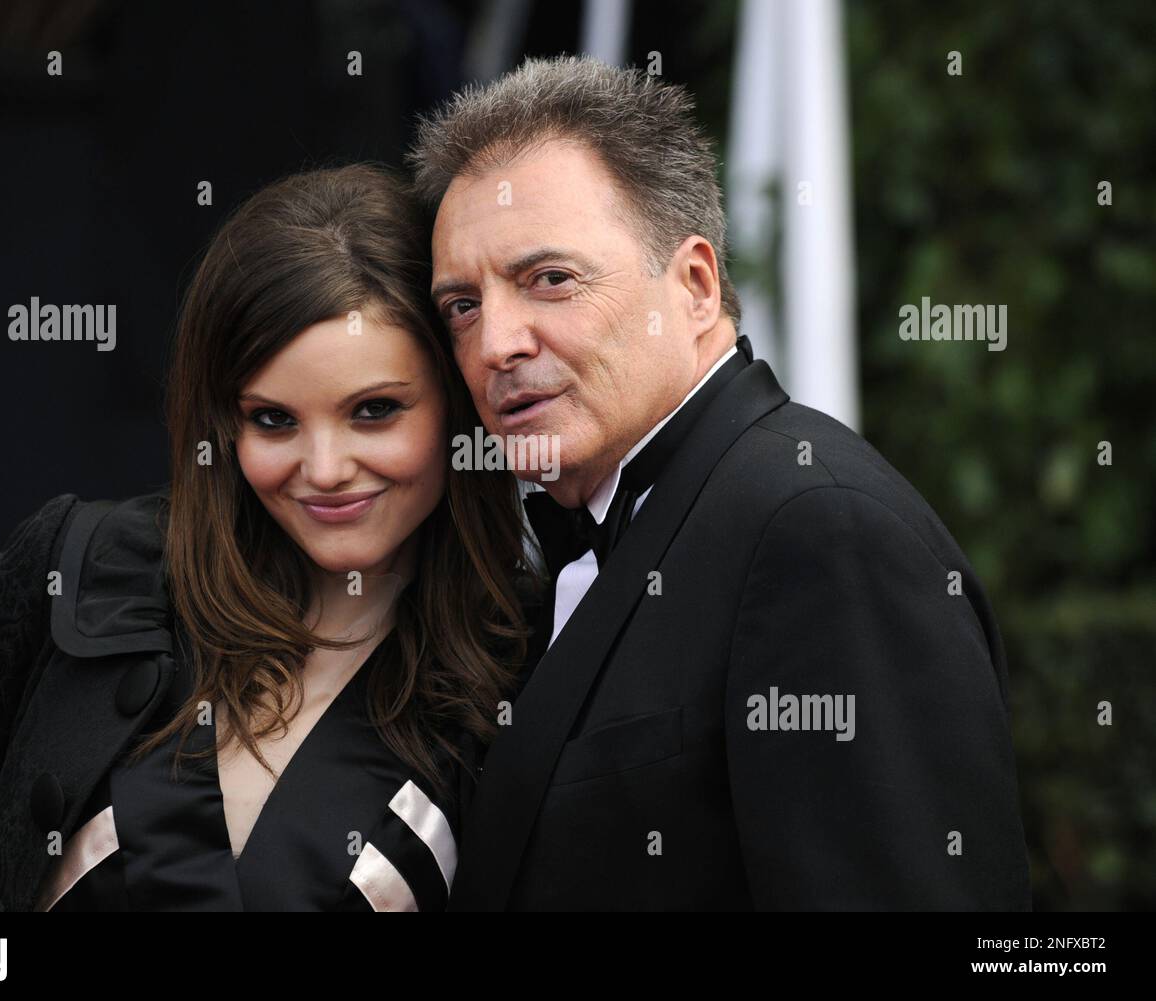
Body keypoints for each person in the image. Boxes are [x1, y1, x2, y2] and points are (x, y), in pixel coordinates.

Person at [407, 55, 1033, 910]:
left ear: (696, 286)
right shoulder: (580, 537)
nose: (494, 345)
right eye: (462, 306)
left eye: (549, 280)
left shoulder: (819, 531)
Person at [0, 163, 534, 912]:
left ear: (455, 403)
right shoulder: (79, 571)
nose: (326, 469)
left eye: (374, 410)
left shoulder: (523, 664)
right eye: (273, 419)